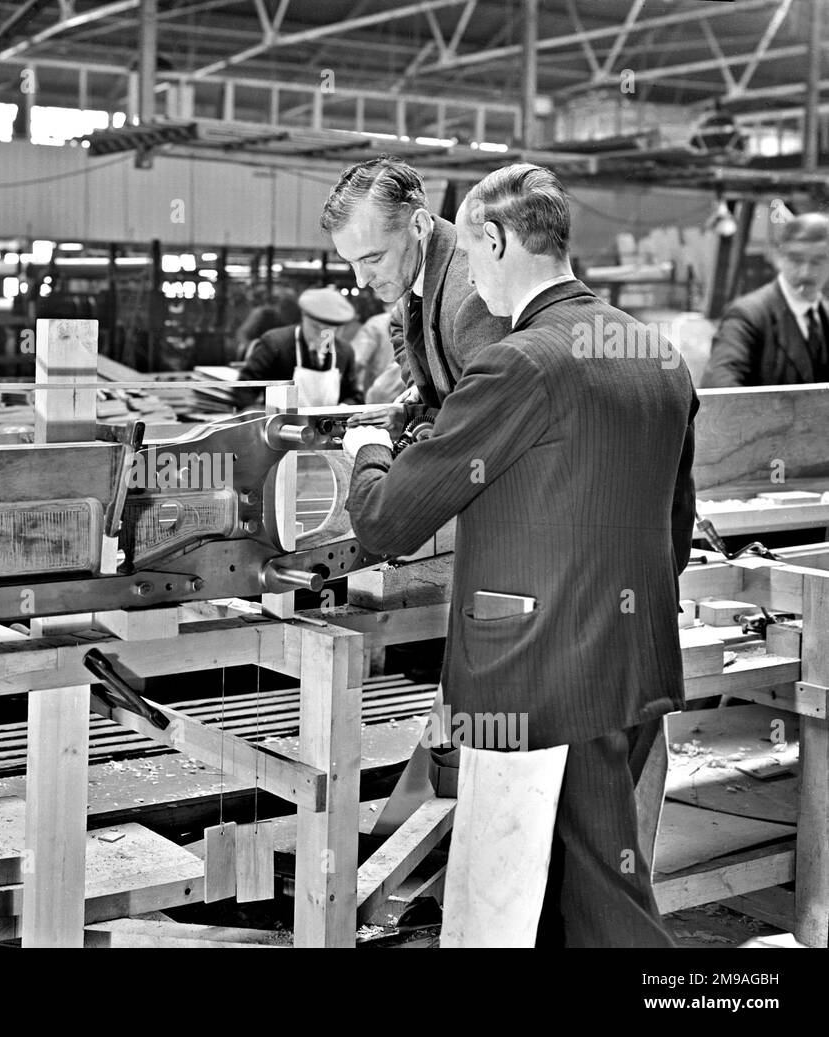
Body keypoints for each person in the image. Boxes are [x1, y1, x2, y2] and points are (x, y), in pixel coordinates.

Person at [342, 163, 698, 947]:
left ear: (497, 241)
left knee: (596, 908)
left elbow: (390, 524)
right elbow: (676, 527)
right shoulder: (660, 356)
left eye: (469, 260)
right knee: (582, 891)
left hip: (541, 685)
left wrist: (368, 448)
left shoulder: (517, 361)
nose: (469, 281)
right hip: (633, 666)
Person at [322, 156, 510, 412]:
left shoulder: (472, 293)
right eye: (351, 263)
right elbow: (400, 325)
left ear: (418, 226)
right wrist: (421, 388)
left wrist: (421, 419)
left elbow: (489, 417)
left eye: (373, 258)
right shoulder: (416, 274)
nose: (362, 280)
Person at [702, 212, 829, 386]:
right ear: (779, 257)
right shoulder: (747, 316)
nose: (805, 272)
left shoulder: (825, 315)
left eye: (818, 261)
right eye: (796, 260)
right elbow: (720, 391)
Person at [234, 286, 362, 408]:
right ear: (303, 317)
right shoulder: (275, 343)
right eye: (315, 327)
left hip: (327, 428)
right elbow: (244, 388)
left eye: (328, 330)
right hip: (281, 428)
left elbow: (355, 396)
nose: (321, 336)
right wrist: (258, 418)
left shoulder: (345, 352)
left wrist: (342, 409)